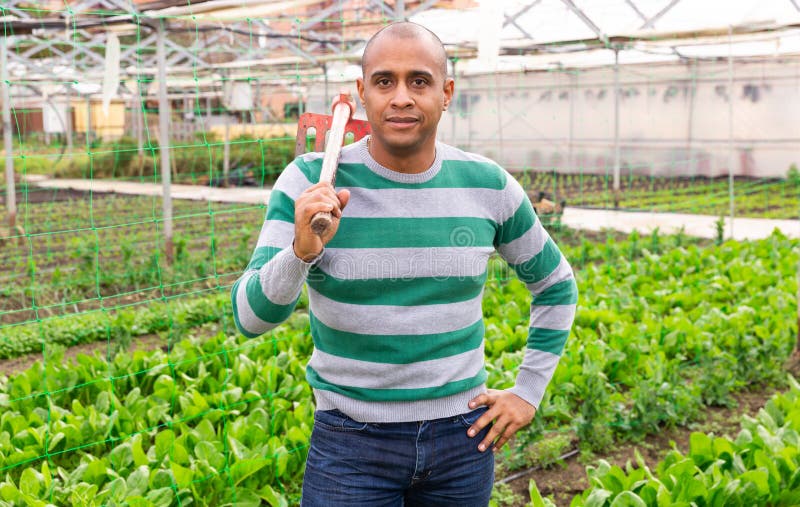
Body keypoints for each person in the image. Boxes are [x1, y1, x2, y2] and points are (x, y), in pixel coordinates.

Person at [231, 21, 578, 507]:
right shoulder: (311, 182)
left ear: (446, 92)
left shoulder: (488, 185)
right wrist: (301, 251)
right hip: (350, 446)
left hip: (463, 442)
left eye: (419, 81)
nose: (401, 97)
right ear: (362, 92)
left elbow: (556, 286)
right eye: (384, 81)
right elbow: (249, 319)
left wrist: (528, 391)